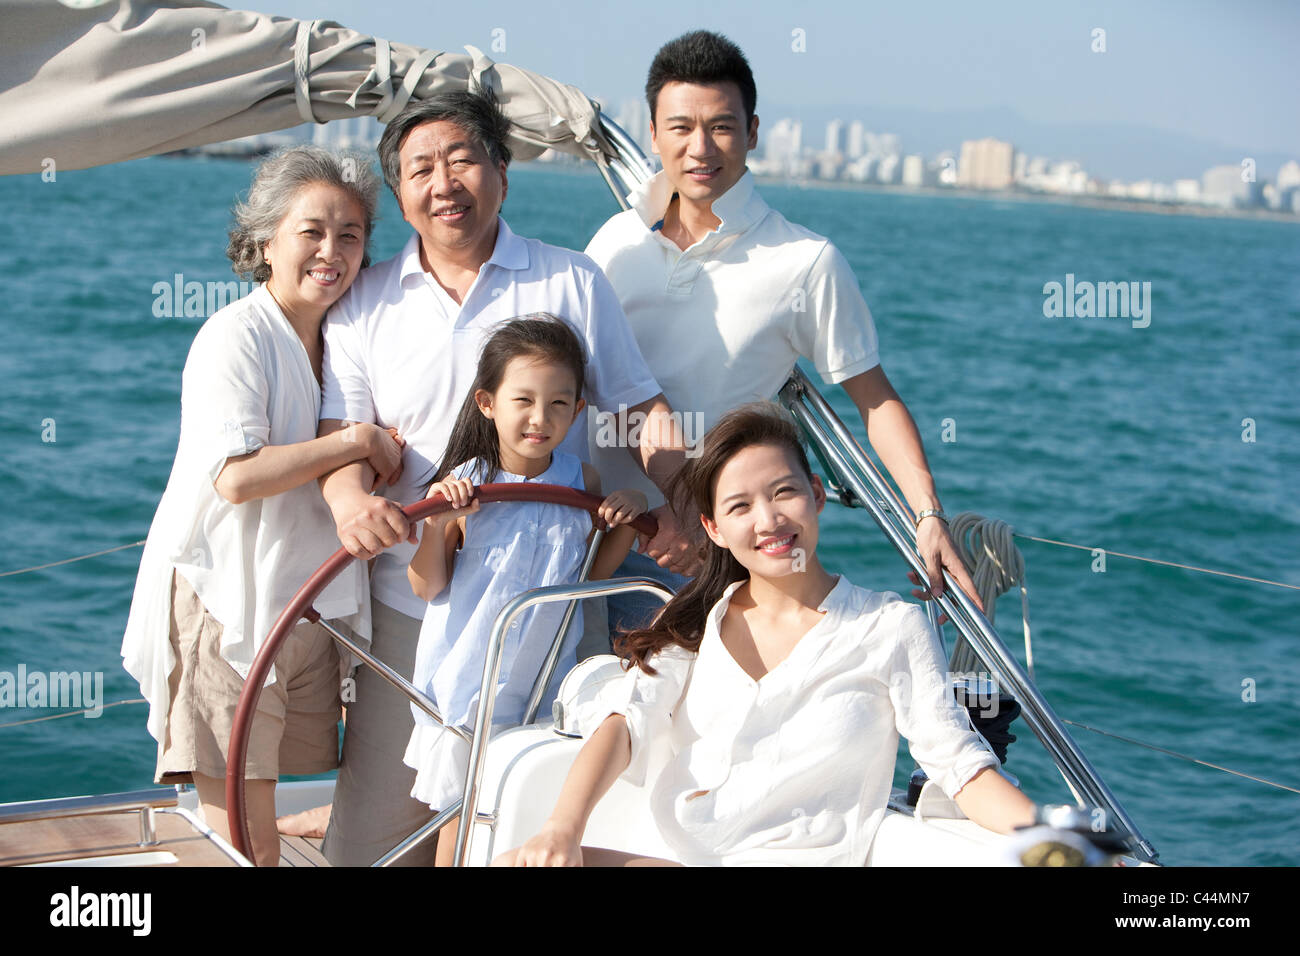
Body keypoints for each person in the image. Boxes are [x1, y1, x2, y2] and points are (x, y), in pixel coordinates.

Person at [315, 90, 689, 867]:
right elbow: (339, 438)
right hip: (416, 607)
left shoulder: (572, 281)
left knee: (522, 826)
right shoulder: (364, 300)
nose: (444, 182)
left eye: (463, 160)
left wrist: (681, 505)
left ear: (502, 174)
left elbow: (641, 406)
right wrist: (351, 499)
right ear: (400, 193)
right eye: (421, 168)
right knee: (374, 845)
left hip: (553, 611)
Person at [496, 403, 1037, 866]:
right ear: (713, 528)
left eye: (784, 493)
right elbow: (626, 722)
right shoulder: (695, 622)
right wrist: (561, 829)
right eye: (740, 506)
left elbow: (961, 768)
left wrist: (1076, 843)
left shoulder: (889, 627)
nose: (769, 520)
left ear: (818, 496)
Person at [585, 31, 982, 638]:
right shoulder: (615, 240)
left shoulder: (805, 261)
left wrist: (927, 515)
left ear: (753, 131)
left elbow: (874, 399)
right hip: (581, 528)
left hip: (697, 553)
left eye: (721, 127)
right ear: (655, 131)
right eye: (681, 127)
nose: (700, 148)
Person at [120, 146, 403, 866]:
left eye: (350, 235)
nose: (331, 251)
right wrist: (358, 441)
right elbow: (237, 477)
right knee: (242, 845)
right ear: (265, 240)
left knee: (273, 809)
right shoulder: (235, 336)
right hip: (229, 605)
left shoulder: (346, 344)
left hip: (306, 608)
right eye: (311, 231)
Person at [403, 316, 648, 865]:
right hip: (470, 684)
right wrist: (442, 522)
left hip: (545, 682)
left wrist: (628, 518)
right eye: (523, 401)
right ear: (488, 403)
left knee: (519, 805)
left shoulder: (581, 482)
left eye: (559, 404)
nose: (541, 418)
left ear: (579, 410)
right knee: (462, 816)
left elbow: (591, 576)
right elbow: (425, 585)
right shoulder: (466, 482)